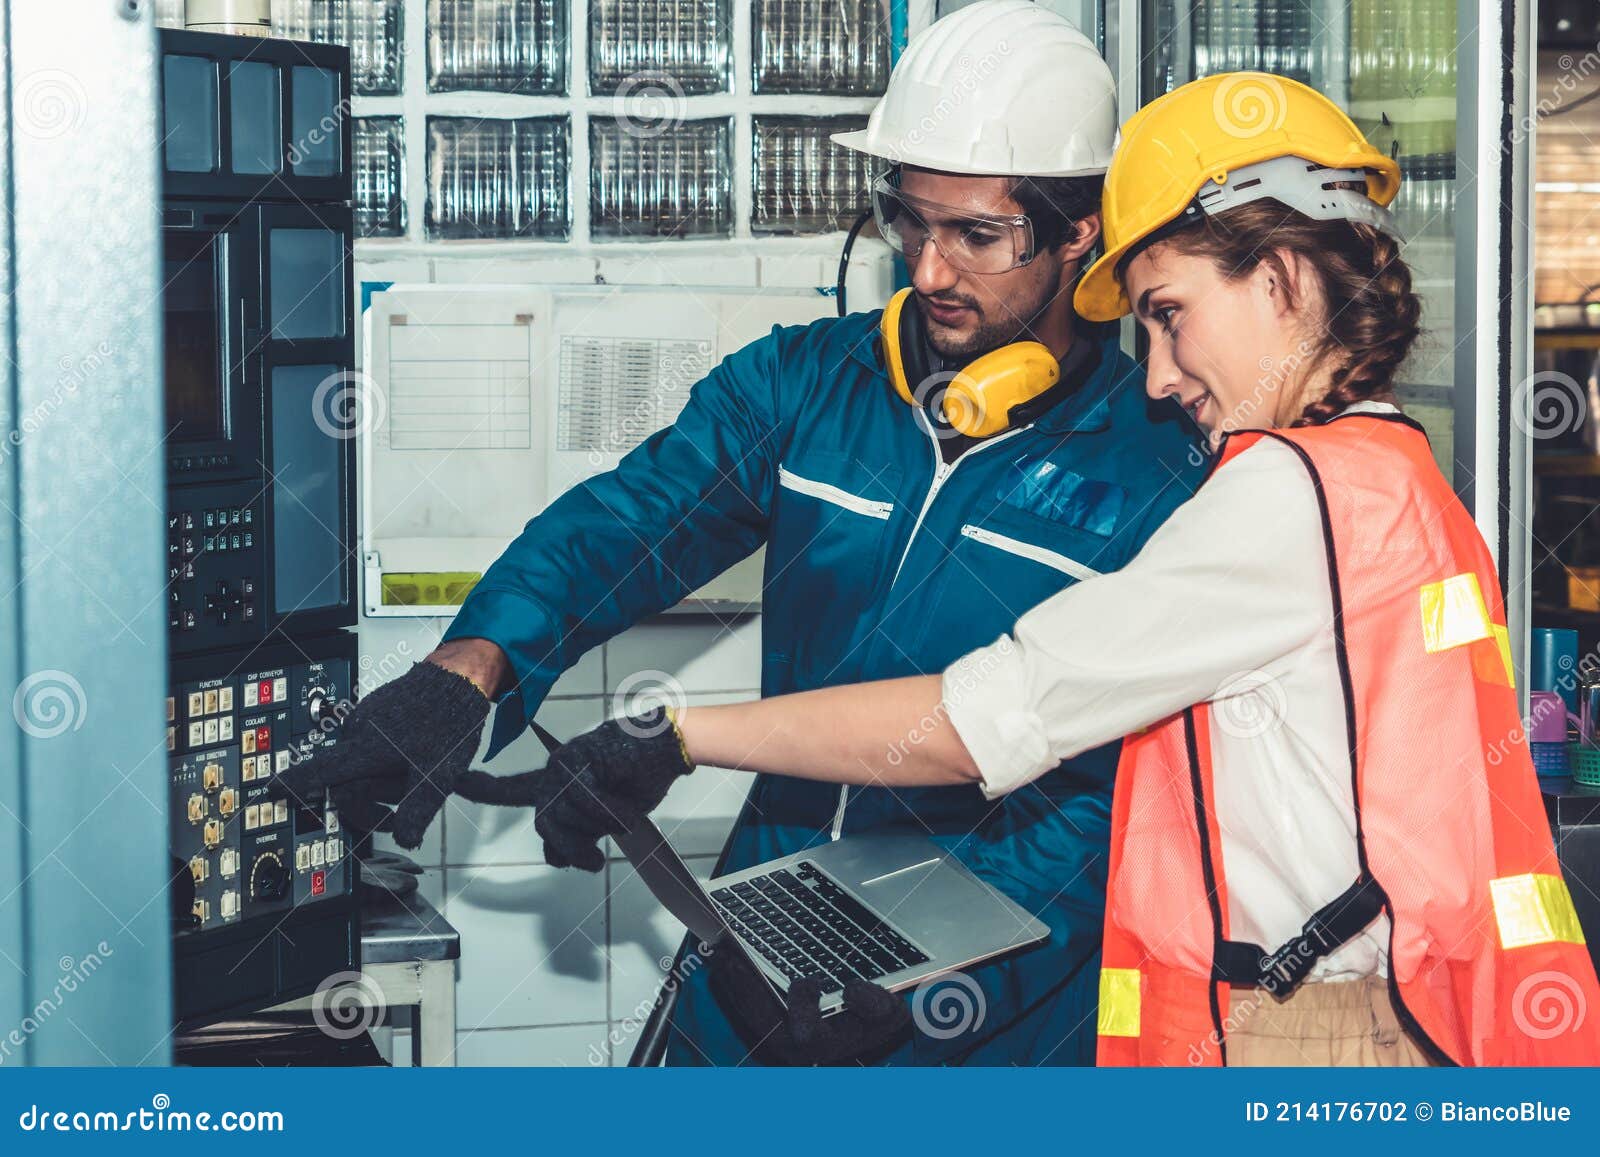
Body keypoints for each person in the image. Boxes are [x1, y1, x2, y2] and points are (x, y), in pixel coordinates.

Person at [502, 72, 1600, 1067]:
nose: (1159, 376)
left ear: (1274, 280)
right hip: (1377, 1009)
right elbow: (628, 519)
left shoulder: (1280, 494)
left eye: (1169, 317)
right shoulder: (1387, 465)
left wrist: (680, 730)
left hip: (1307, 1029)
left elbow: (985, 716)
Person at [272, 0, 1202, 1066]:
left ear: (1080, 231)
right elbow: (623, 527)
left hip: (982, 999)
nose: (931, 269)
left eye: (976, 235)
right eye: (910, 220)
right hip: (767, 928)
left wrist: (955, 982)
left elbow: (1117, 800)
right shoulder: (806, 383)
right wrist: (467, 670)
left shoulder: (1155, 468)